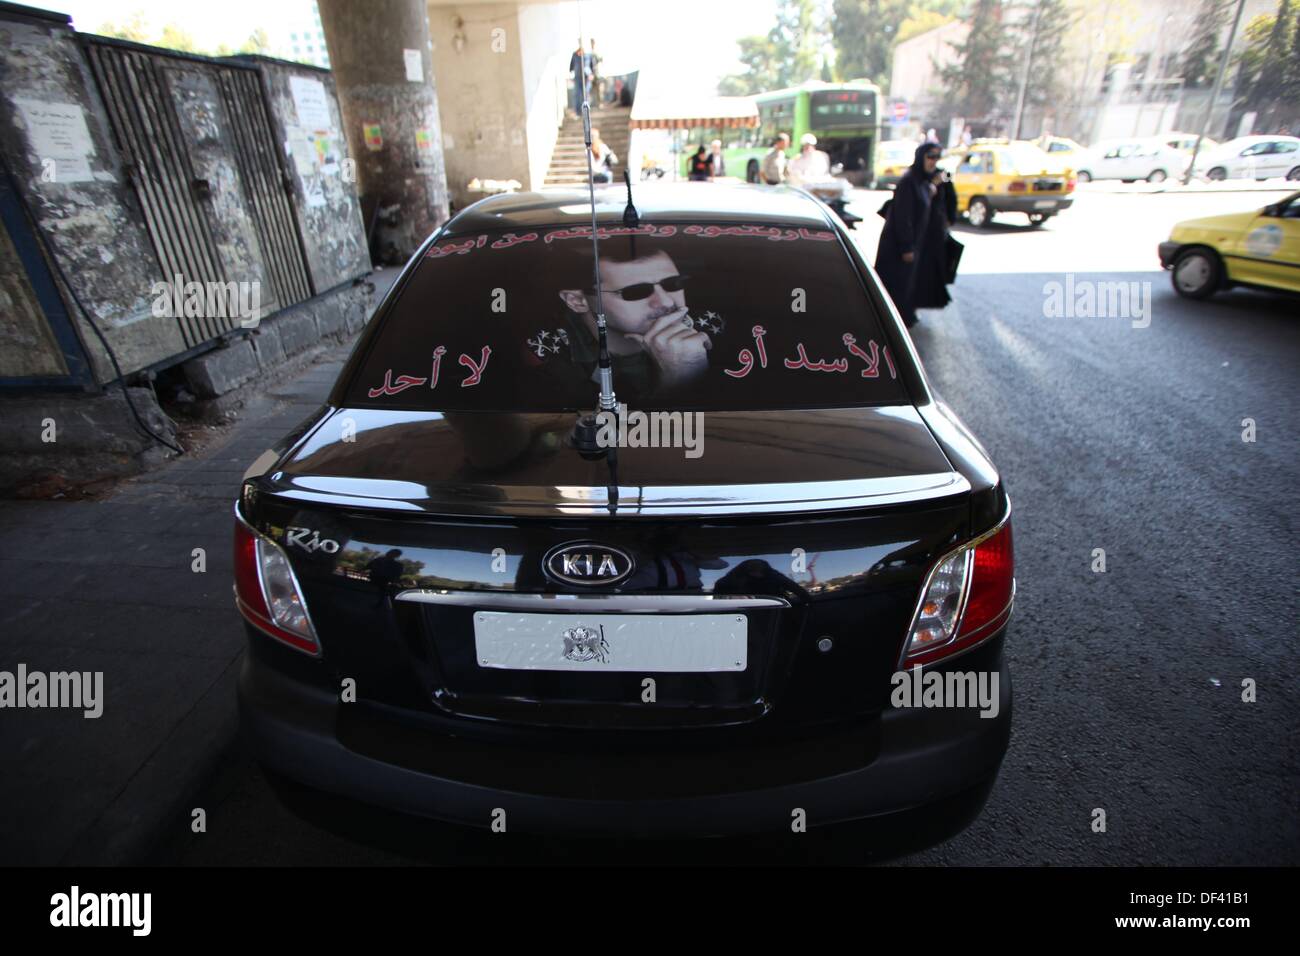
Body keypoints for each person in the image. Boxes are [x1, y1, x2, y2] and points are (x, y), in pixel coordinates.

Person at [556, 246, 712, 395]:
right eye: (636, 292)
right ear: (577, 301)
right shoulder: (550, 354)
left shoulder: (713, 327)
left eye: (672, 284)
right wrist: (679, 377)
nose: (667, 302)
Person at [875, 143, 952, 329]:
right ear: (921, 157)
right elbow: (904, 217)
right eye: (930, 157)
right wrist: (906, 246)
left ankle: (903, 317)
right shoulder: (909, 182)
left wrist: (935, 186)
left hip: (915, 243)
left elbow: (948, 184)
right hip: (899, 246)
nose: (933, 161)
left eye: (936, 157)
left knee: (908, 285)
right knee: (896, 286)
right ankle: (893, 323)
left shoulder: (925, 181)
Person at [568, 39, 589, 114]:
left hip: (585, 78)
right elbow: (571, 66)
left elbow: (590, 65)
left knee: (585, 95)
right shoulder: (575, 54)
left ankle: (586, 112)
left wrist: (591, 74)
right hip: (577, 77)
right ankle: (578, 111)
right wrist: (570, 73)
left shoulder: (586, 54)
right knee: (577, 94)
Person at [589, 38, 603, 104]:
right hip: (590, 73)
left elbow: (599, 60)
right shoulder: (588, 52)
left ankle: (599, 103)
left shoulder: (596, 52)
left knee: (598, 88)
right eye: (591, 42)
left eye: (593, 42)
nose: (592, 44)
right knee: (590, 88)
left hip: (596, 73)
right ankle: (591, 103)